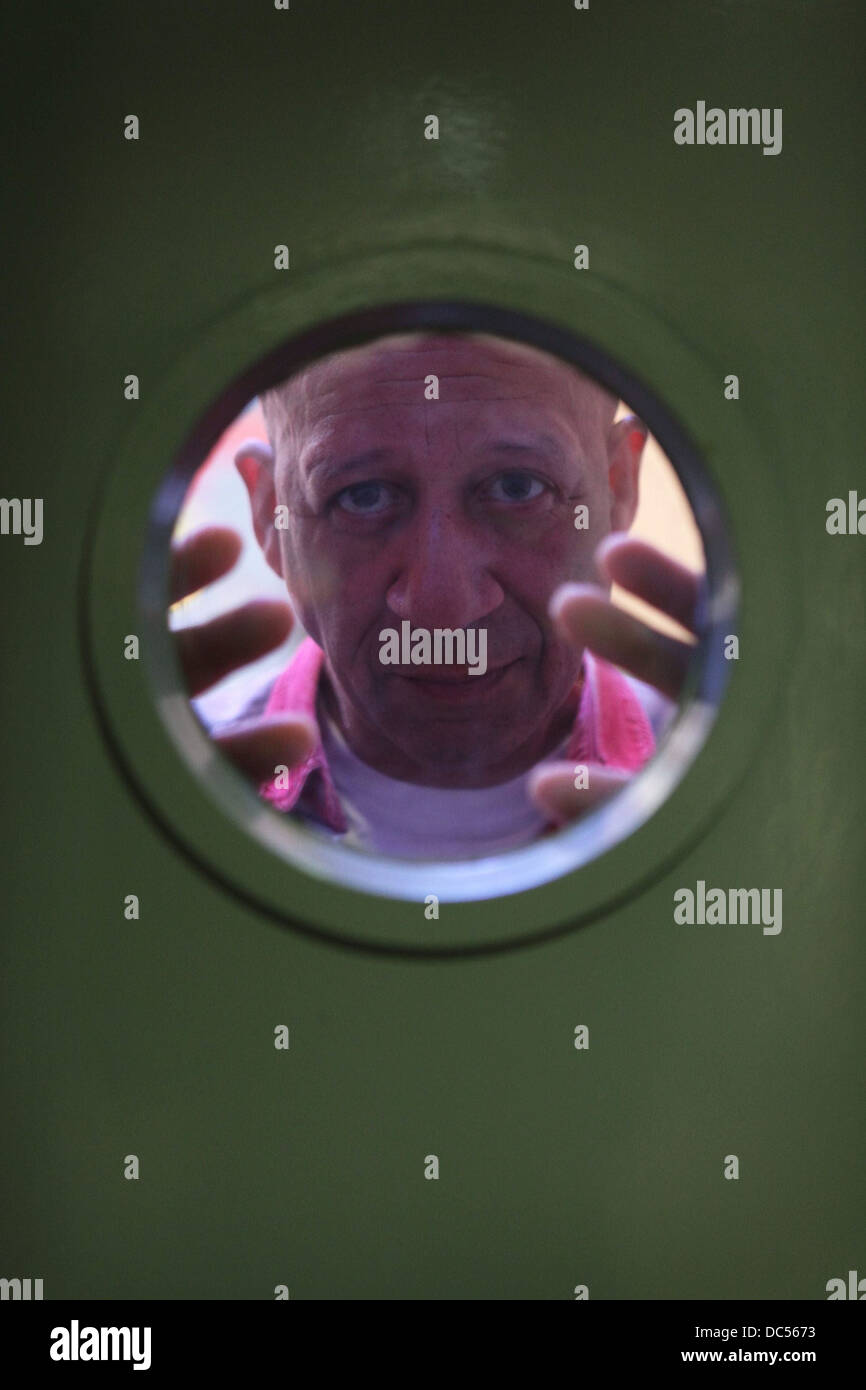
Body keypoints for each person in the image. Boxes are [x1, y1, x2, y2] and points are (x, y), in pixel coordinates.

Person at [170, 332, 702, 859]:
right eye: (364, 496)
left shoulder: (719, 776)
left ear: (619, 488)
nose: (443, 610)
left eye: (518, 487)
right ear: (270, 516)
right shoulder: (168, 791)